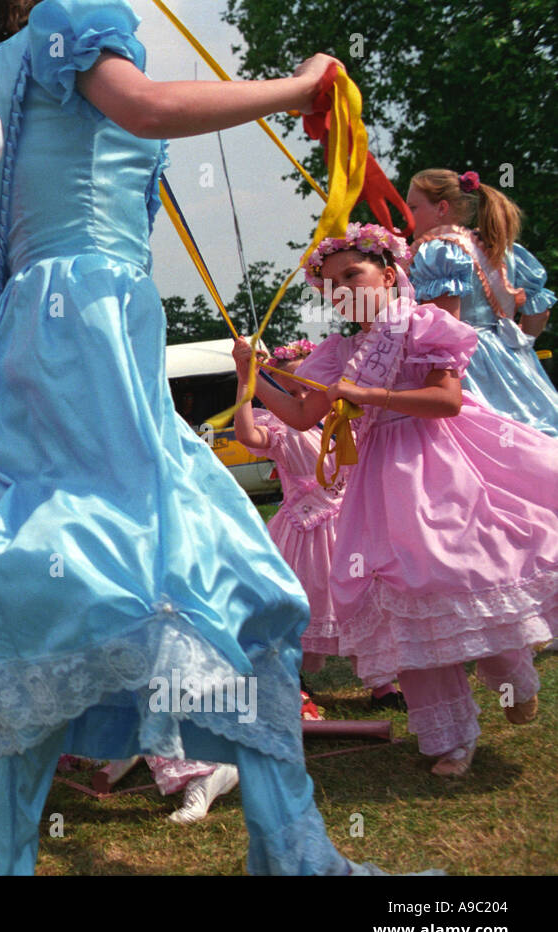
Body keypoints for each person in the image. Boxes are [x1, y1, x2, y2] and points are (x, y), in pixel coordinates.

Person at [0, 0, 380, 875]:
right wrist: (298, 87)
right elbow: (145, 108)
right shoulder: (75, 19)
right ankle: (292, 853)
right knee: (196, 570)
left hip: (30, 330)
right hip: (90, 324)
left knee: (55, 579)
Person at [239, 222, 557, 778]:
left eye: (352, 275)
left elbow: (446, 401)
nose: (342, 290)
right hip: (379, 479)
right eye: (331, 284)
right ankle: (450, 738)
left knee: (468, 573)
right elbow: (299, 415)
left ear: (388, 274)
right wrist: (253, 377)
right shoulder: (340, 349)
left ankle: (511, 676)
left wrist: (370, 395)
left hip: (442, 461)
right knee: (397, 597)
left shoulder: (426, 323)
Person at [232, 341, 404, 710]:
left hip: (352, 523)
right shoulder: (280, 428)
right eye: (290, 392)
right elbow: (247, 436)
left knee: (364, 601)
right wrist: (243, 381)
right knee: (305, 603)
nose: (301, 396)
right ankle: (292, 679)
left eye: (307, 387)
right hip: (305, 533)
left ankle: (382, 683)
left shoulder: (345, 416)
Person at [406, 169, 557, 437]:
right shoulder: (501, 247)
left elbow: (444, 325)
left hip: (465, 361)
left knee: (475, 439)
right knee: (534, 431)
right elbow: (539, 309)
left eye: (414, 207)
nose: (407, 216)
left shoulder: (438, 250)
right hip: (513, 358)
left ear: (442, 208)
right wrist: (523, 342)